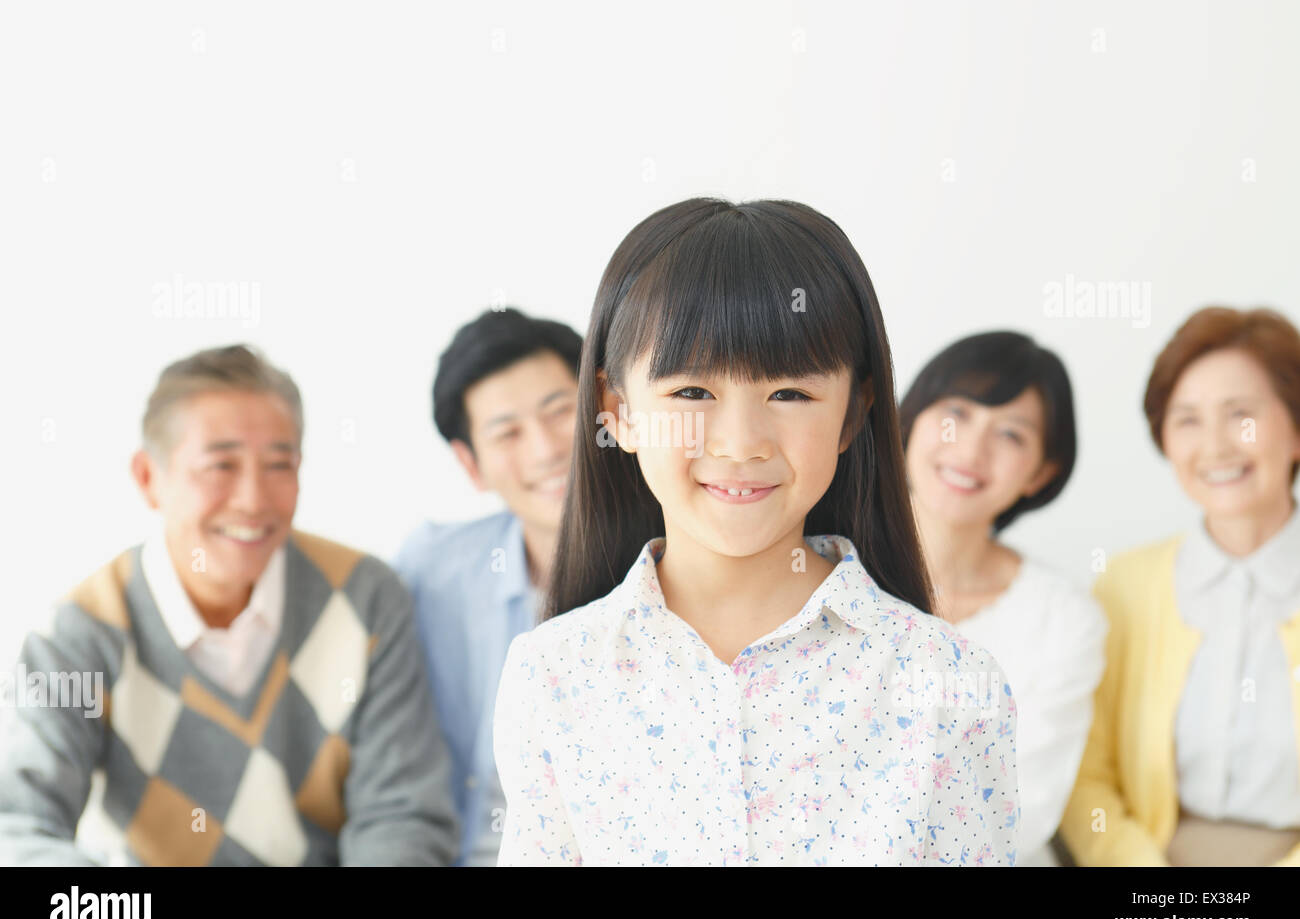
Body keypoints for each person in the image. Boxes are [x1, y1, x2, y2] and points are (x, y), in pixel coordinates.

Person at [492, 197, 1019, 866]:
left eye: (790, 394)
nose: (741, 444)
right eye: (691, 393)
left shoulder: (948, 684)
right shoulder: (552, 675)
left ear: (854, 414)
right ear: (617, 411)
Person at [0, 345, 459, 865]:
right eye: (221, 465)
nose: (253, 499)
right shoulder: (76, 634)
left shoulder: (366, 598)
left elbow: (401, 817)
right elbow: (18, 828)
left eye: (278, 464)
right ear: (149, 478)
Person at [1060, 306, 1300, 866]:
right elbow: (1085, 776)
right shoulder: (1125, 585)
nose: (1214, 446)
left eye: (1240, 415)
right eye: (1187, 419)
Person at [899, 331, 1106, 867]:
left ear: (1041, 473)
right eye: (956, 414)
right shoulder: (817, 571)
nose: (971, 450)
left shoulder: (1064, 620)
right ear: (909, 419)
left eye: (1010, 434)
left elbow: (1025, 808)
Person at [394, 308, 582, 866]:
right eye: (508, 433)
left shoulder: (687, 562)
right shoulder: (430, 571)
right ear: (471, 464)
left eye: (562, 412)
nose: (546, 449)